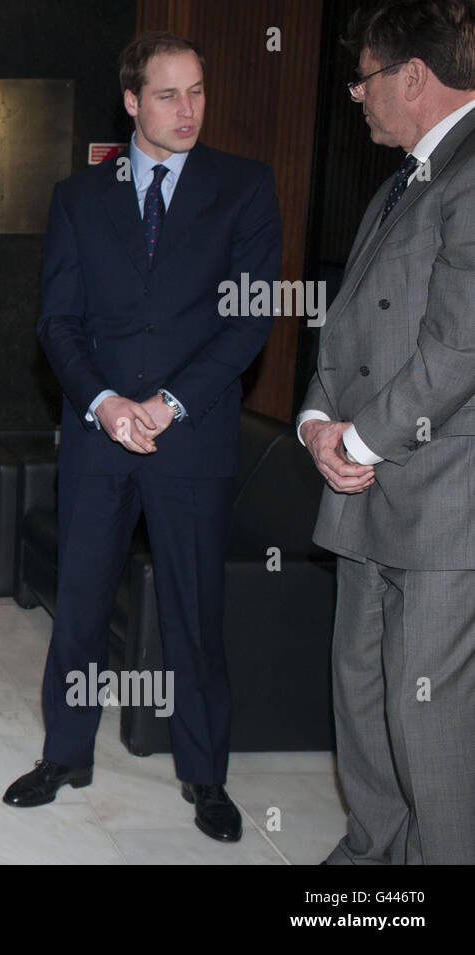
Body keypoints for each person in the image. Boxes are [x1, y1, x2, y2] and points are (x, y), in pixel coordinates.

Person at [2, 32, 281, 842]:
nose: (187, 109)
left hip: (191, 437)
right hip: (98, 436)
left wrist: (166, 403)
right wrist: (104, 403)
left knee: (196, 613)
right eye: (168, 95)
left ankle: (205, 774)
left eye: (197, 92)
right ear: (131, 101)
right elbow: (57, 321)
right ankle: (64, 755)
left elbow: (247, 317)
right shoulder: (79, 196)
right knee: (81, 605)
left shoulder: (244, 187)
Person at [297, 0, 475, 865]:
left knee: (426, 725)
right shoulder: (403, 178)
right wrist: (313, 422)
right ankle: (372, 871)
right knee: (361, 704)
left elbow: (459, 347)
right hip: (364, 495)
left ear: (412, 76)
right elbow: (350, 328)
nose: (357, 95)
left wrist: (358, 443)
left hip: (440, 510)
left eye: (365, 77)